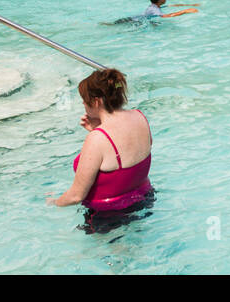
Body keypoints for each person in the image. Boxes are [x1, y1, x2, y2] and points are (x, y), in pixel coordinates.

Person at [50, 68, 153, 212]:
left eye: (84, 100)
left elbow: (76, 196)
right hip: (145, 199)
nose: (83, 105)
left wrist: (54, 202)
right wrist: (97, 130)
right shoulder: (140, 117)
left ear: (97, 101)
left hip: (108, 216)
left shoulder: (97, 139)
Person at [112, 0, 198, 22]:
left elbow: (171, 6)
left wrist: (190, 5)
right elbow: (165, 16)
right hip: (137, 22)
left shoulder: (153, 6)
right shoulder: (156, 10)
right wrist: (185, 11)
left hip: (134, 18)